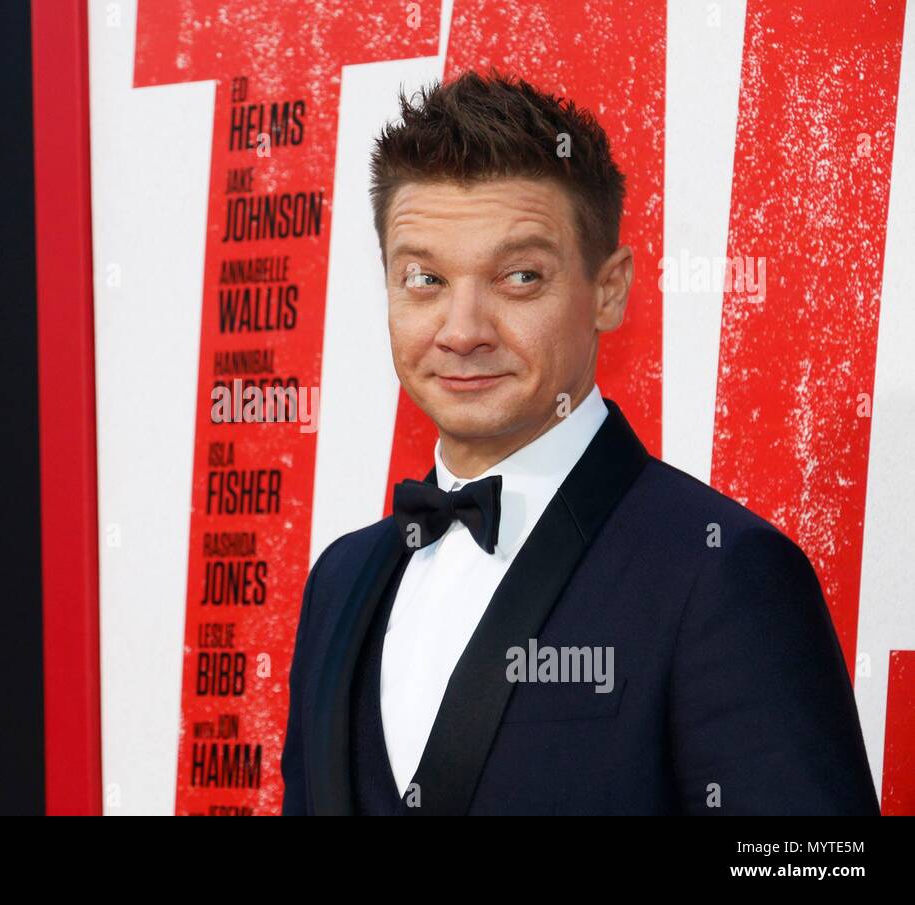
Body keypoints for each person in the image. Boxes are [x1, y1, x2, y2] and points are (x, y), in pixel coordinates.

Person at [280, 69, 879, 815]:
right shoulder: (340, 578)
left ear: (609, 288)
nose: (462, 330)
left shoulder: (722, 572)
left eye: (520, 276)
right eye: (425, 278)